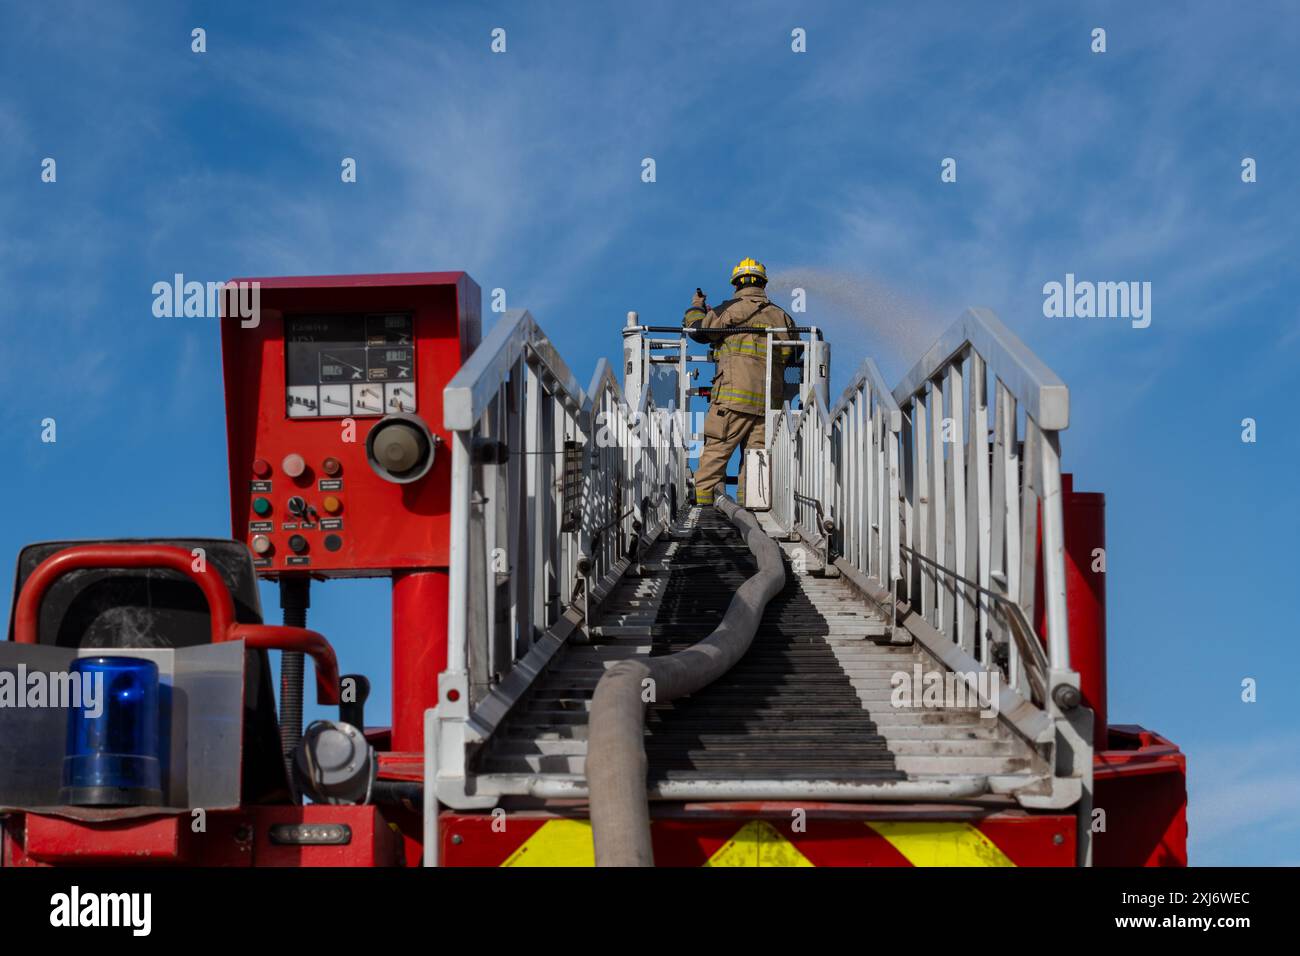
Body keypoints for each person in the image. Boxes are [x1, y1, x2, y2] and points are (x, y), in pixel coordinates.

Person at [684, 257, 797, 507]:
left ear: (736, 284)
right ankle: (753, 515)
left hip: (732, 400)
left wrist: (697, 306)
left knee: (713, 461)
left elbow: (696, 330)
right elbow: (795, 356)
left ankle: (702, 510)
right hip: (768, 406)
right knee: (757, 465)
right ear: (763, 284)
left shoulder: (730, 309)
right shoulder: (782, 317)